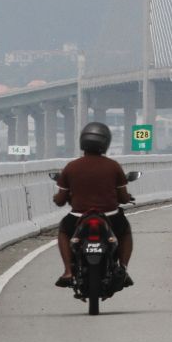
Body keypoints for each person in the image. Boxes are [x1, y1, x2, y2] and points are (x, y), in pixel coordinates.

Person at [53, 122, 134, 288]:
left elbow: (60, 200)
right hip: (110, 215)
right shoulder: (113, 166)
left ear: (83, 142)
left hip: (78, 216)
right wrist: (126, 199)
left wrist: (59, 198)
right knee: (125, 232)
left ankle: (68, 271)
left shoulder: (71, 167)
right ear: (106, 143)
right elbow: (123, 197)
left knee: (63, 231)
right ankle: (123, 269)